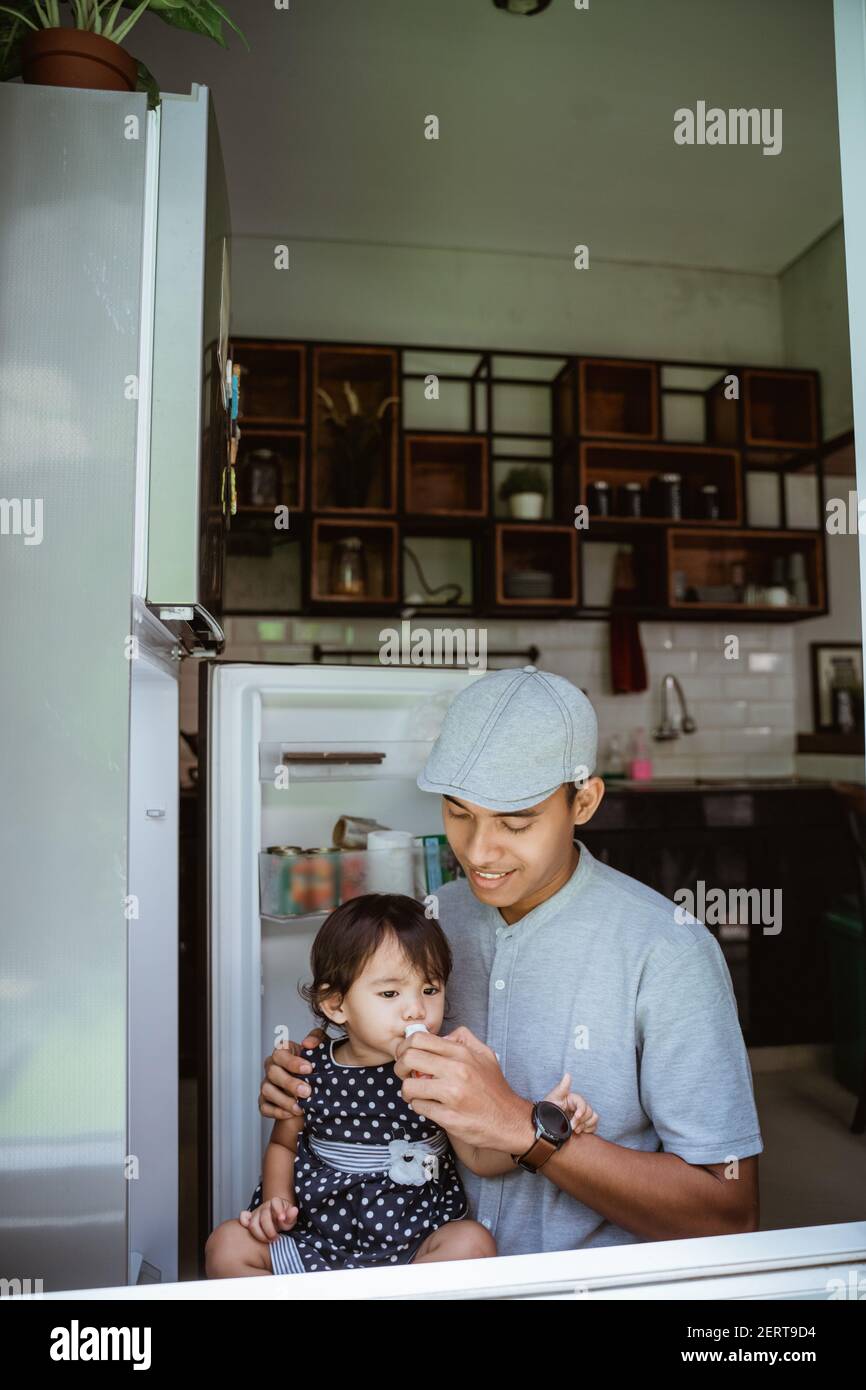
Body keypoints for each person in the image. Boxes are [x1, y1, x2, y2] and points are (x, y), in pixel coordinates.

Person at [258, 665, 763, 1260]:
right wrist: (322, 1056)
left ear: (585, 801)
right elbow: (374, 1019)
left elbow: (730, 1215)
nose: (478, 851)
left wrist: (523, 1129)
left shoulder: (669, 951)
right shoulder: (432, 919)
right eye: (458, 813)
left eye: (515, 822)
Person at [206, 892, 598, 1277]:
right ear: (335, 1005)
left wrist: (542, 1122)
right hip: (318, 1234)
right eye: (390, 993)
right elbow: (282, 1143)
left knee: (472, 1243)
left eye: (430, 990)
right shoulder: (309, 1068)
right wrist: (276, 1200)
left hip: (413, 1244)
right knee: (226, 1246)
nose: (416, 1009)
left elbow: (479, 1158)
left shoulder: (441, 1070)